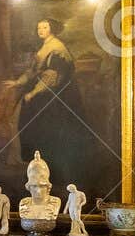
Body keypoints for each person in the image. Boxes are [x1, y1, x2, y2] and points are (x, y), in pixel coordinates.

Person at [6, 18, 83, 180]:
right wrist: (18, 82)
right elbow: (33, 71)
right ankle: (34, 167)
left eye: (45, 27)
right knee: (29, 123)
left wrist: (33, 93)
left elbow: (52, 77)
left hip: (56, 96)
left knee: (47, 129)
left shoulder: (57, 48)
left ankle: (52, 171)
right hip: (45, 93)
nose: (40, 30)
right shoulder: (45, 46)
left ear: (52, 28)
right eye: (38, 27)